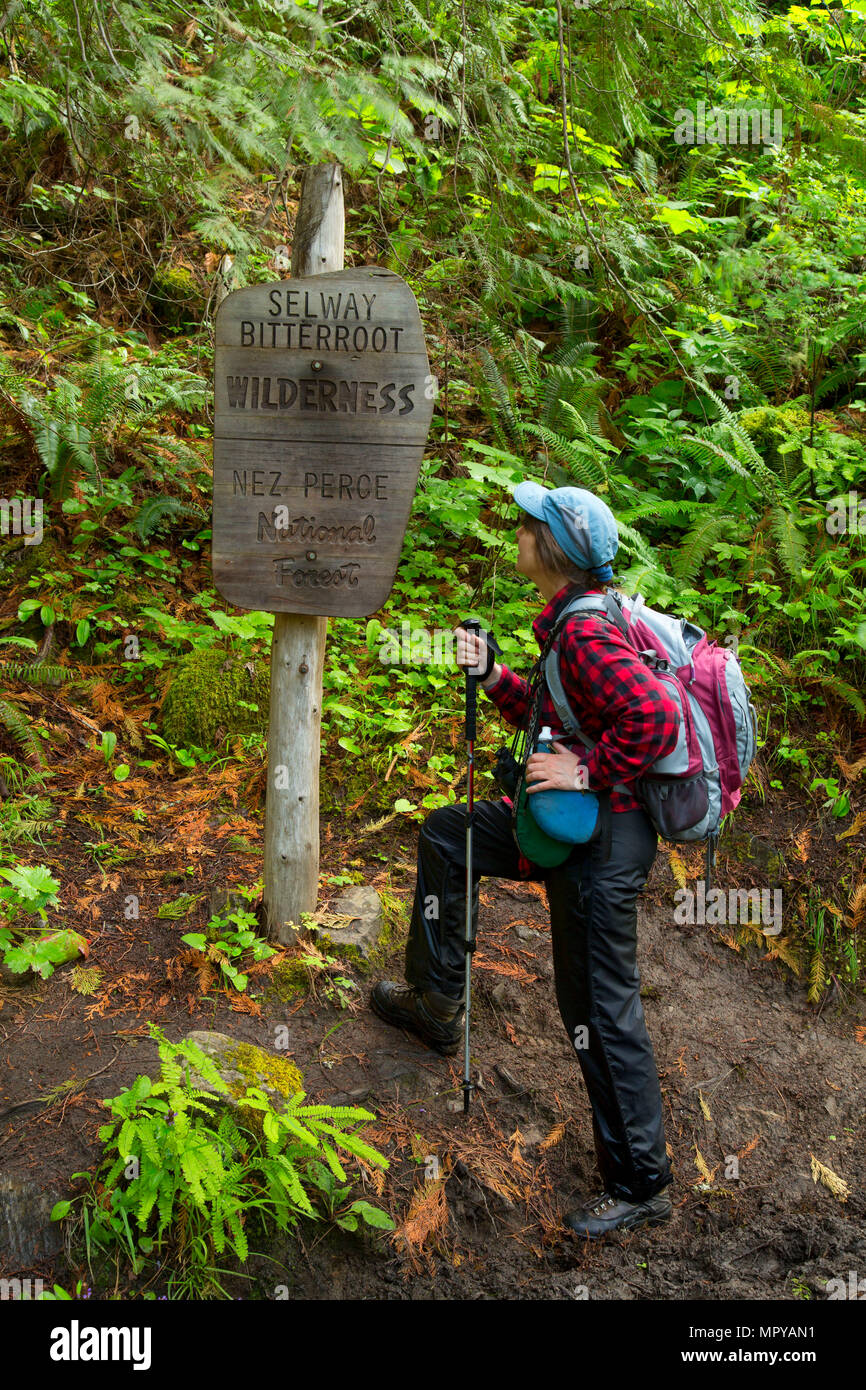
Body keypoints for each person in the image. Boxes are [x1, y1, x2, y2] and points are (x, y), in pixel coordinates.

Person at [370, 482, 681, 1237]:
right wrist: (493, 679)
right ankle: (438, 1007)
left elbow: (657, 717)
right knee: (451, 834)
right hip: (562, 824)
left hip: (602, 839)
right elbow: (561, 716)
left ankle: (642, 1182)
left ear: (554, 549)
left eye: (525, 524)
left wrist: (588, 771)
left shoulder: (583, 633)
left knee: (598, 1011)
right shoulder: (575, 622)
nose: (515, 531)